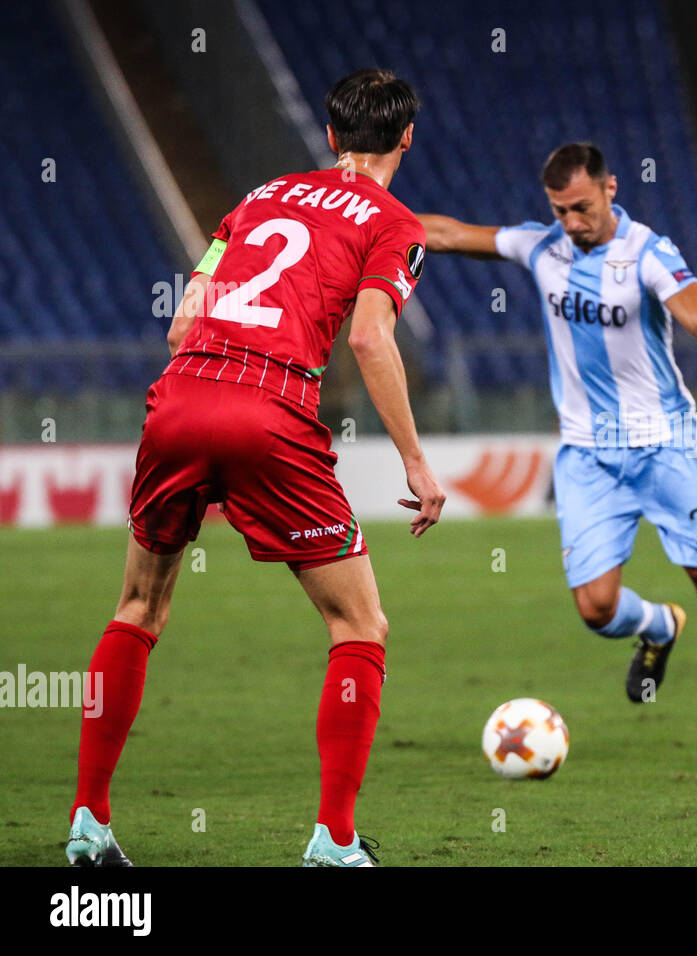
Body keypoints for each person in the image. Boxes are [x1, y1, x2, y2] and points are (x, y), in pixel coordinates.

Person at [64, 68, 445, 867]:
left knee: (137, 607)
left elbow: (181, 324)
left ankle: (89, 824)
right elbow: (372, 338)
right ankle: (334, 842)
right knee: (358, 624)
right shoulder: (396, 223)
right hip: (269, 407)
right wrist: (416, 458)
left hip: (181, 395)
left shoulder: (261, 196)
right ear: (406, 139)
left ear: (332, 138)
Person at [419, 143, 697, 766]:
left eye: (580, 207)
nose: (571, 222)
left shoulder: (649, 254)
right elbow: (445, 233)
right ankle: (657, 626)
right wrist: (359, 216)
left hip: (666, 447)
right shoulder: (541, 247)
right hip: (588, 457)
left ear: (610, 189)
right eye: (558, 210)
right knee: (596, 609)